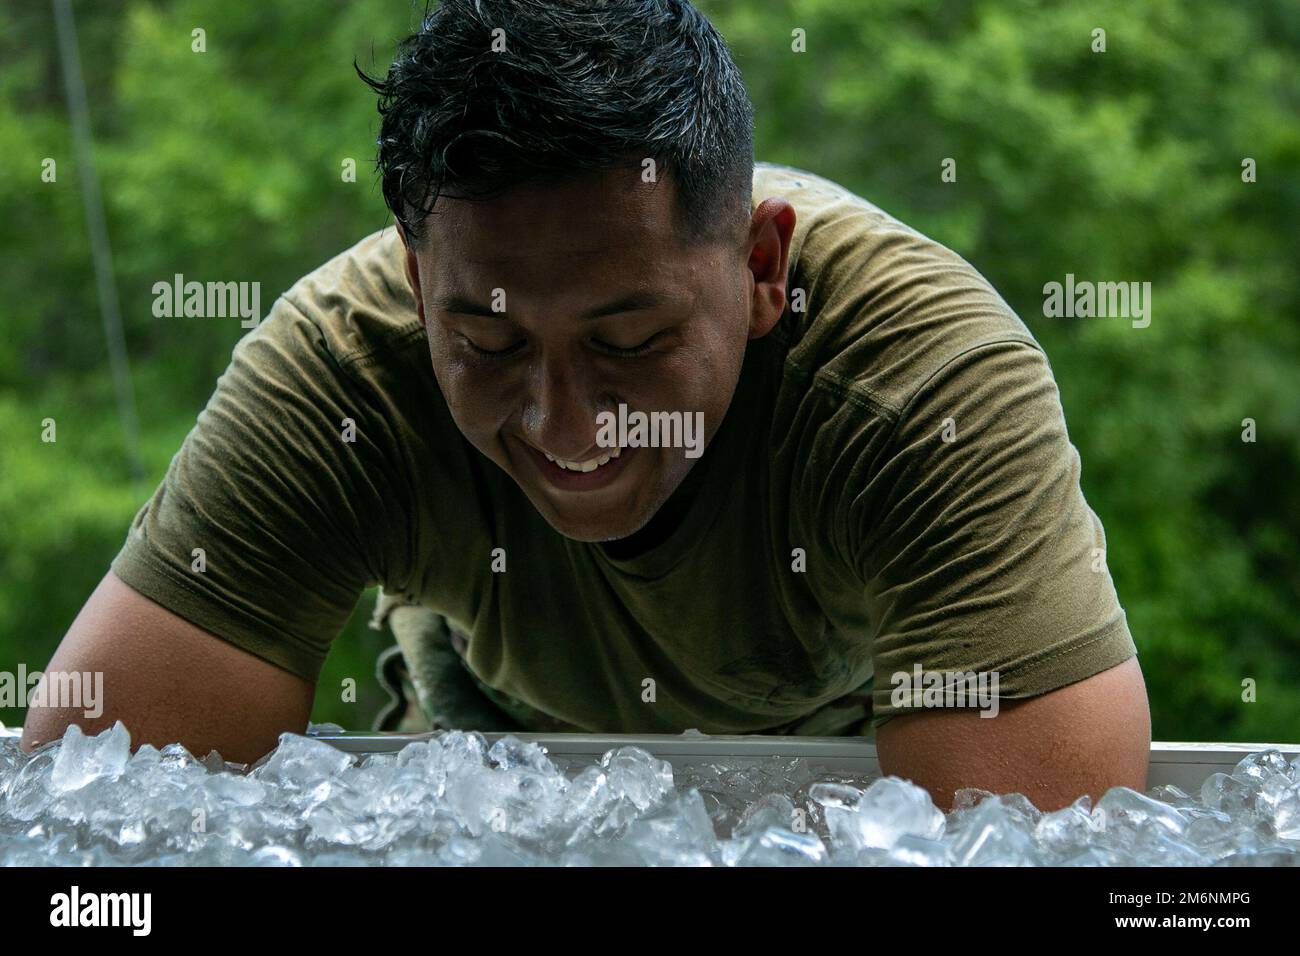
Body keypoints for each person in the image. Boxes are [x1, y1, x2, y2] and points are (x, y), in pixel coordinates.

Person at [23, 0, 1150, 811]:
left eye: (632, 340)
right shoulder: (339, 374)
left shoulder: (920, 386)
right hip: (481, 763)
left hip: (852, 776)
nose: (566, 423)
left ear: (761, 266)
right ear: (419, 290)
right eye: (489, 343)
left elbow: (1046, 857)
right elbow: (90, 829)